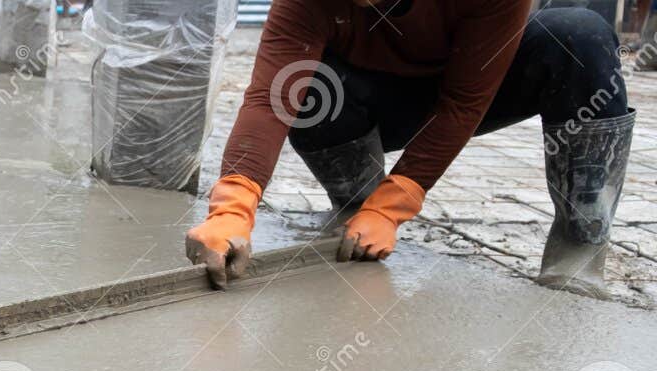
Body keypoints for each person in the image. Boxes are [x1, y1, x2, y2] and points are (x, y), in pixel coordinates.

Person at [185, 0, 636, 298]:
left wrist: (394, 205)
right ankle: (358, 204)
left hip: (472, 84)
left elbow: (463, 103)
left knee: (580, 37)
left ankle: (579, 252)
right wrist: (233, 205)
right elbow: (271, 98)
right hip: (367, 99)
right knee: (311, 84)